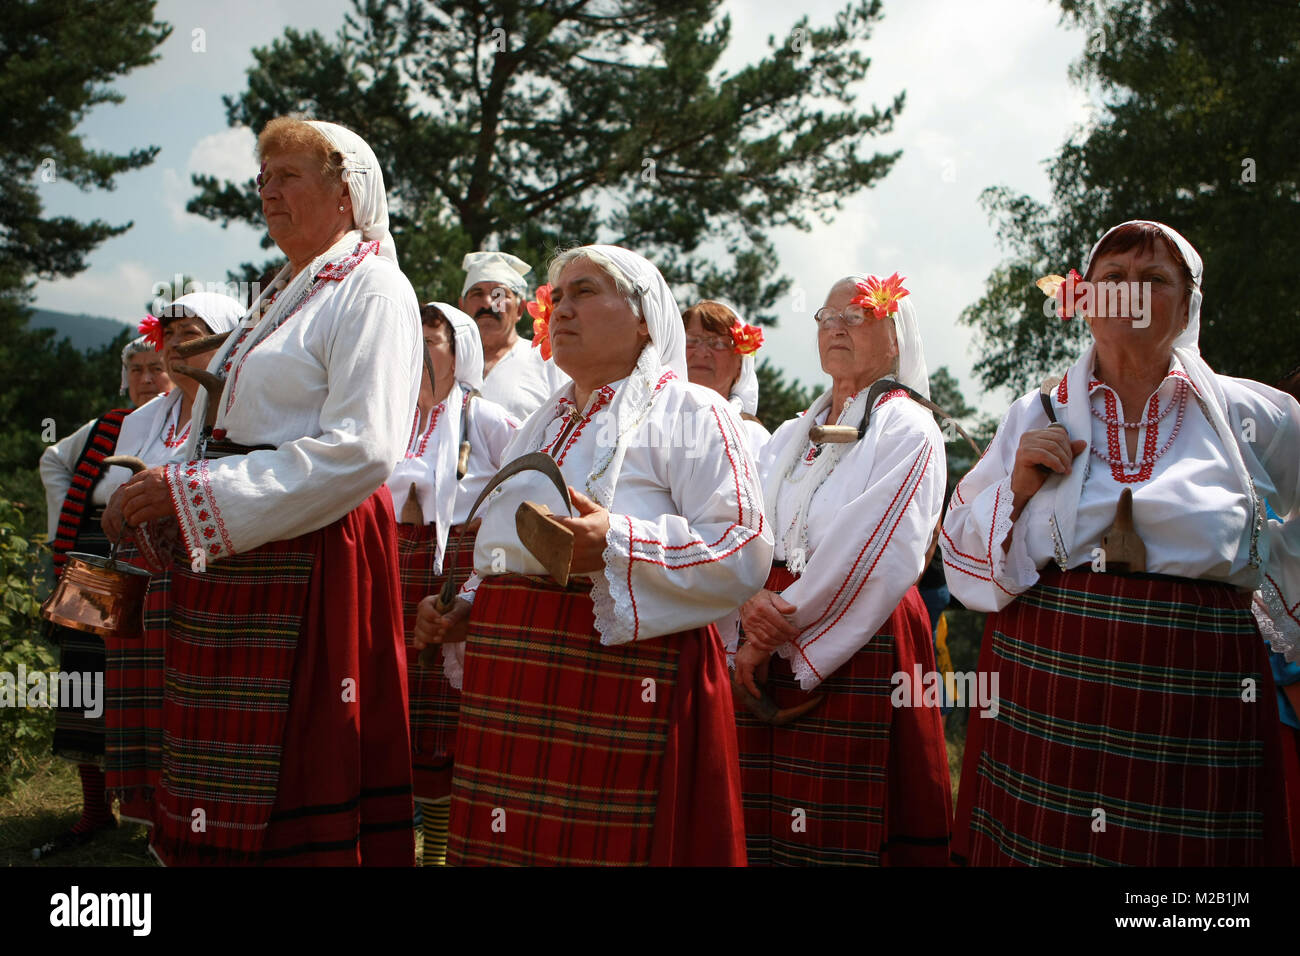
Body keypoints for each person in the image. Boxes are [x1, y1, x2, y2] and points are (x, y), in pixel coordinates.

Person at [942, 220, 1299, 866]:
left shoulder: (1253, 417)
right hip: (1049, 682)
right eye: (1113, 279)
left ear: (1189, 305)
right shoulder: (1033, 414)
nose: (1131, 293)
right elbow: (960, 544)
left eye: (1154, 279)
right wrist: (1018, 487)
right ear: (1084, 302)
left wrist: (1284, 604)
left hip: (1198, 693)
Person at [114, 117, 422, 866]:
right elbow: (226, 413)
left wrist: (192, 493)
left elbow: (365, 448)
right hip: (248, 543)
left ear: (345, 192)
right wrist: (171, 484)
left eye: (288, 175)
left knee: (293, 757)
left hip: (313, 546)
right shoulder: (288, 292)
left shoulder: (373, 287)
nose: (267, 191)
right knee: (226, 762)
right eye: (263, 176)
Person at [414, 244, 772, 866]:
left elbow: (742, 548)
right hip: (515, 672)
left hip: (624, 683)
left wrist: (616, 542)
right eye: (560, 297)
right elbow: (500, 540)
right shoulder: (543, 421)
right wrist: (464, 605)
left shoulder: (691, 411)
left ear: (643, 319)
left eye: (586, 292)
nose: (562, 310)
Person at [734, 274, 952, 866]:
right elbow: (748, 523)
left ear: (895, 333)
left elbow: (877, 548)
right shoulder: (788, 433)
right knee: (760, 819)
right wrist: (748, 603)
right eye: (826, 316)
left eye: (855, 315)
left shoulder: (909, 427)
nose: (835, 326)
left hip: (856, 630)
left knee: (837, 826)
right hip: (765, 621)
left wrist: (770, 627)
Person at [99, 292, 245, 829]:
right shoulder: (140, 420)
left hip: (205, 576)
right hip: (143, 578)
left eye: (193, 333)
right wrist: (116, 511)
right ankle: (148, 813)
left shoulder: (236, 409)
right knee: (141, 695)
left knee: (191, 699)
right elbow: (117, 490)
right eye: (171, 335)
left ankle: (195, 814)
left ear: (226, 340)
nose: (177, 344)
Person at [385, 301, 517, 865]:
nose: (416, 353)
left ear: (459, 352)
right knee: (388, 700)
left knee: (441, 712)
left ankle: (436, 853)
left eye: (430, 342)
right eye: (408, 341)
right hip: (388, 564)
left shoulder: (485, 419)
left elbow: (527, 487)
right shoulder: (385, 415)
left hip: (454, 571)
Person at [459, 251, 567, 419]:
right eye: (477, 294)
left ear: (520, 309)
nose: (488, 303)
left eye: (499, 294)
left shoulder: (548, 364)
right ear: (462, 306)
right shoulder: (448, 362)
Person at [681, 300, 770, 456]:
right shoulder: (651, 422)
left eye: (717, 344)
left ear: (740, 365)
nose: (702, 352)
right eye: (692, 341)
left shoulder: (751, 437)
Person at [121, 336, 172, 408]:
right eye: (136, 370)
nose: (145, 380)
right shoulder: (114, 419)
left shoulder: (191, 418)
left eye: (157, 369)